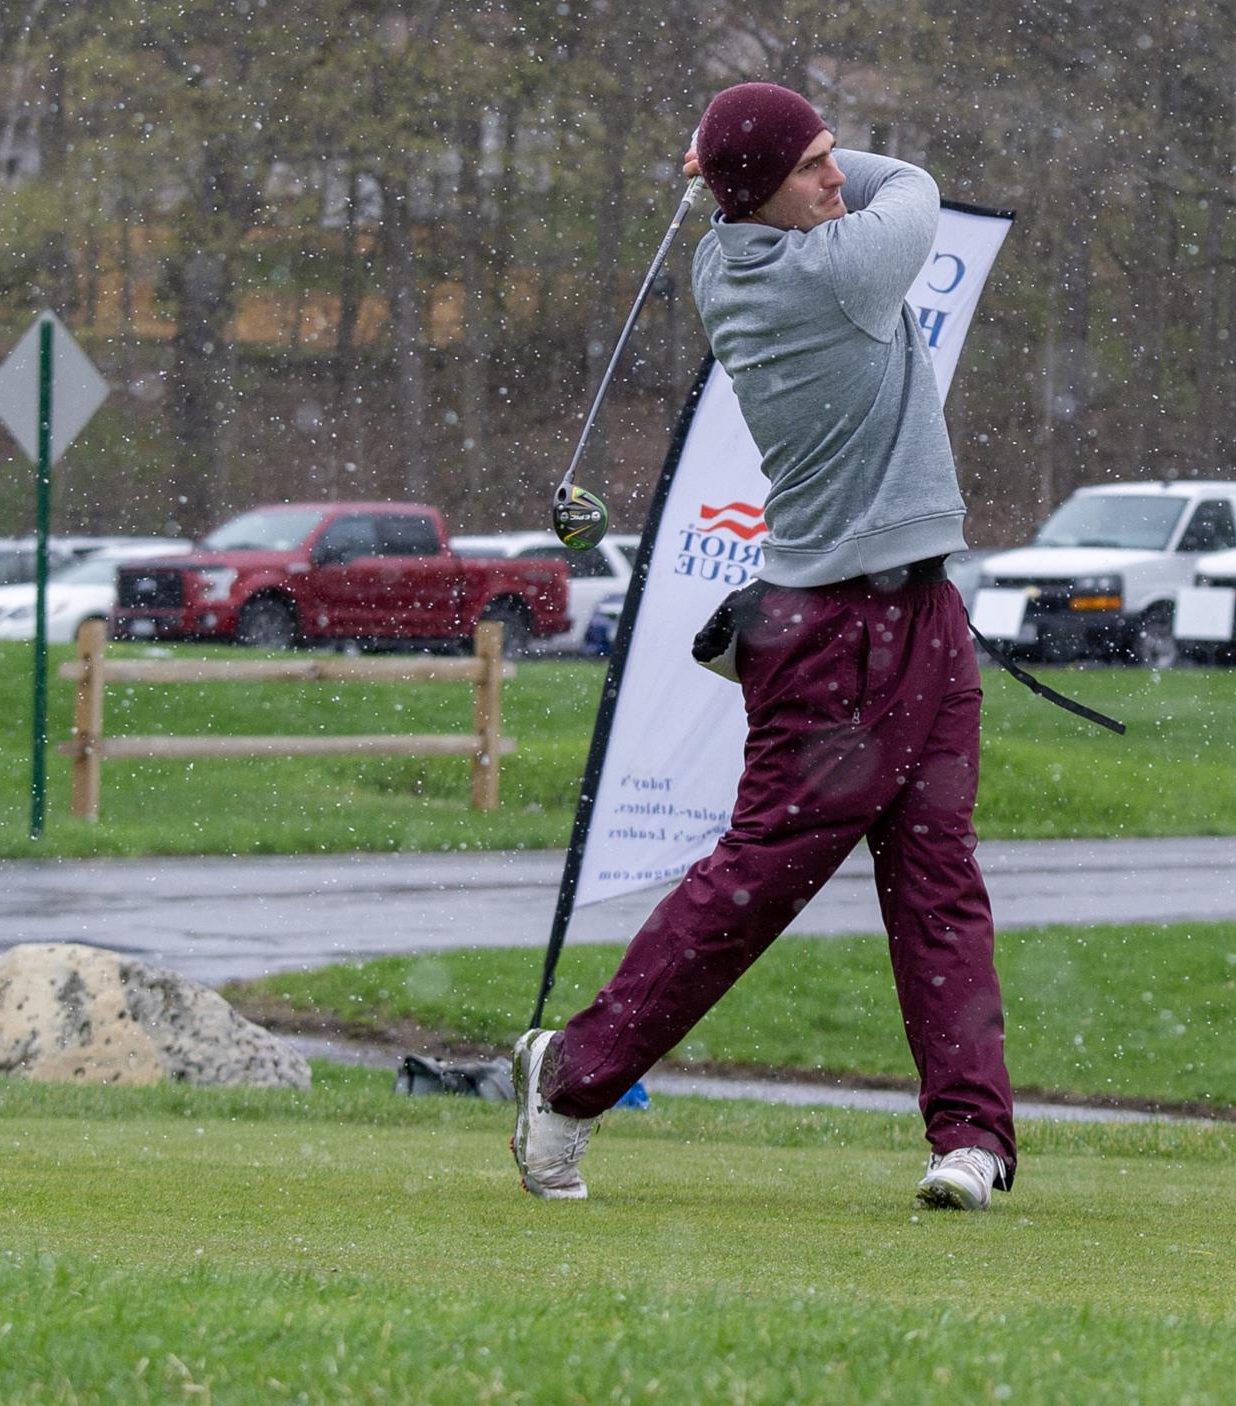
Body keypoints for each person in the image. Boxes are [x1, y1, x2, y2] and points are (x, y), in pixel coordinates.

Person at [511, 81, 1016, 1211]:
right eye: (813, 167)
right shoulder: (837, 271)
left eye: (834, 160)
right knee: (755, 884)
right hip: (835, 633)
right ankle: (570, 1074)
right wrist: (784, 150)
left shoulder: (722, 259)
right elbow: (918, 188)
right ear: (757, 196)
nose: (839, 180)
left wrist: (756, 152)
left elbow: (828, 184)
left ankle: (972, 1137)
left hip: (921, 616)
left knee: (939, 874)